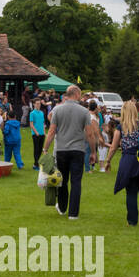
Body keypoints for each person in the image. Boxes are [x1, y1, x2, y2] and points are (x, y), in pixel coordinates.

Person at [41, 85, 99, 219]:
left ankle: (62, 207)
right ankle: (73, 213)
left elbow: (51, 131)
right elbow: (89, 134)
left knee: (63, 180)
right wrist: (93, 152)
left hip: (61, 150)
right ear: (77, 94)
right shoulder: (84, 112)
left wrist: (45, 149)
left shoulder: (57, 110)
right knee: (76, 181)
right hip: (78, 150)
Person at [111, 100, 139, 226]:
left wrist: (108, 161)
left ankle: (132, 220)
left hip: (129, 161)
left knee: (131, 191)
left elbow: (113, 147)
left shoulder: (121, 127)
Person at [29, 99, 47, 169]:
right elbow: (31, 124)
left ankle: (37, 163)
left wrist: (44, 132)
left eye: (39, 103)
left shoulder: (42, 113)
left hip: (42, 134)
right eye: (36, 103)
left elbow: (43, 123)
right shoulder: (32, 113)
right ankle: (36, 164)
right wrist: (36, 133)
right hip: (35, 134)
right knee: (36, 149)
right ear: (34, 104)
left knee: (40, 149)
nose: (38, 105)